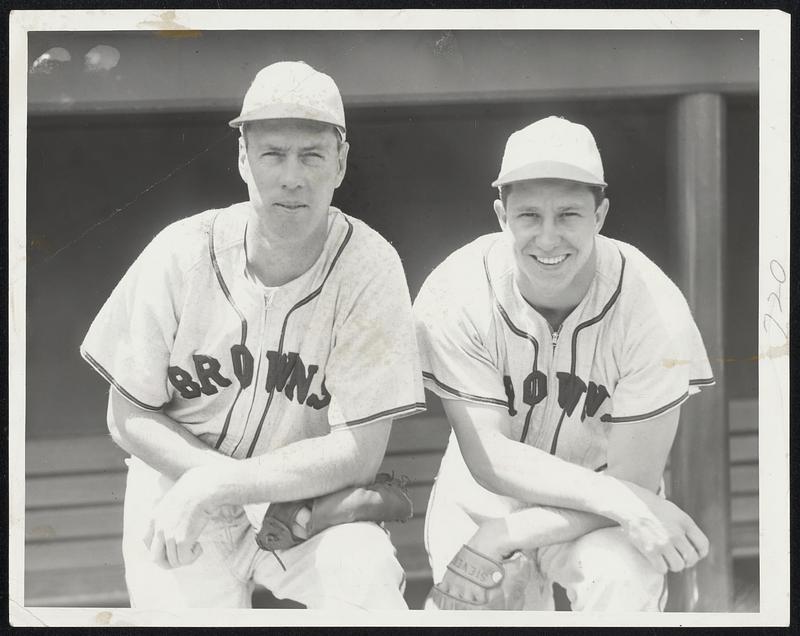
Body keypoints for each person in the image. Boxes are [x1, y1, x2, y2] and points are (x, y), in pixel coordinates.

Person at [80, 61, 425, 610]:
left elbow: (359, 455)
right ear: (243, 157)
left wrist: (230, 485)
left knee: (364, 574)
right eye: (273, 154)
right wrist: (213, 482)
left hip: (298, 501)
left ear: (340, 162)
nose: (292, 176)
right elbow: (126, 415)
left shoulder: (370, 267)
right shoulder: (182, 252)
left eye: (311, 155)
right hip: (179, 483)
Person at [414, 116, 713, 611]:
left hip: (600, 509)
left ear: (600, 215)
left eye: (569, 214)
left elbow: (633, 482)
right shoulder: (458, 291)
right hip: (484, 498)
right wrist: (494, 530)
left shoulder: (654, 308)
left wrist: (503, 535)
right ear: (501, 216)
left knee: (621, 577)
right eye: (529, 215)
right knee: (484, 603)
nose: (548, 238)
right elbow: (490, 456)